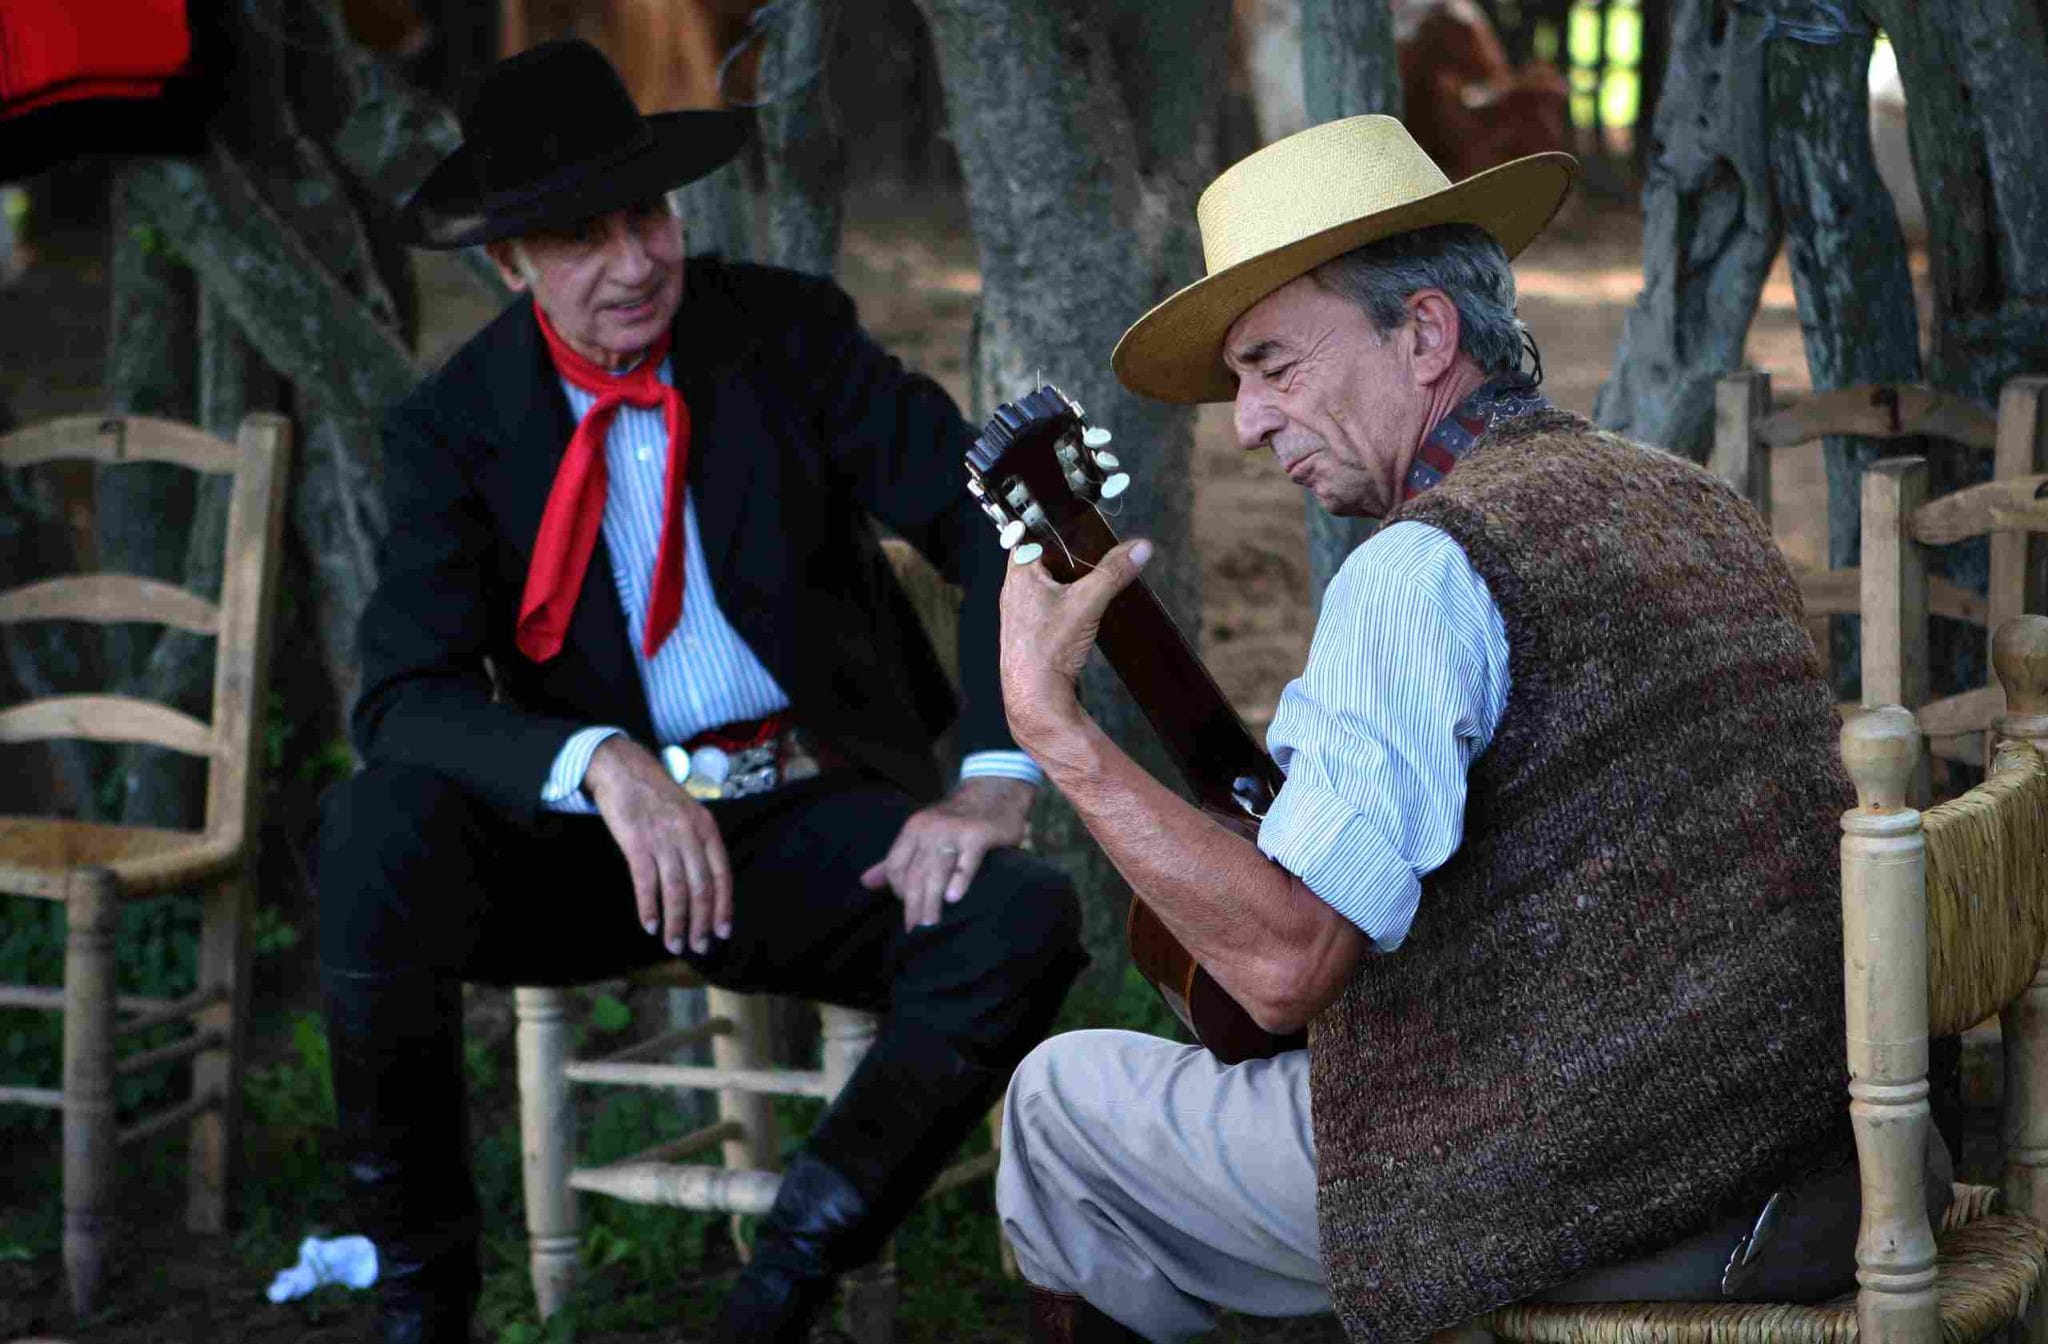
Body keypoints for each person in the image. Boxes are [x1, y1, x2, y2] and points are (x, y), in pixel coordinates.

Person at [992, 115, 1902, 1343]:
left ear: (1421, 333)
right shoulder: (1688, 497)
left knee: (1059, 1105)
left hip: (1608, 1192)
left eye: (1273, 364)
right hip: (1816, 1153)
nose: (1248, 424)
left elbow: (1281, 971)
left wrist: (1055, 735)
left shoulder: (1423, 568)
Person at [317, 39, 1084, 1344]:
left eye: (646, 217)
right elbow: (404, 694)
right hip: (598, 851)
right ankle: (419, 1305)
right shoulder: (456, 423)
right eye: (579, 237)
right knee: (372, 830)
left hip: (805, 820)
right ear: (508, 263)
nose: (633, 261)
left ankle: (775, 1295)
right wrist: (602, 763)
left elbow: (993, 524)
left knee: (1021, 920)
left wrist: (996, 778)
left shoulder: (783, 333)